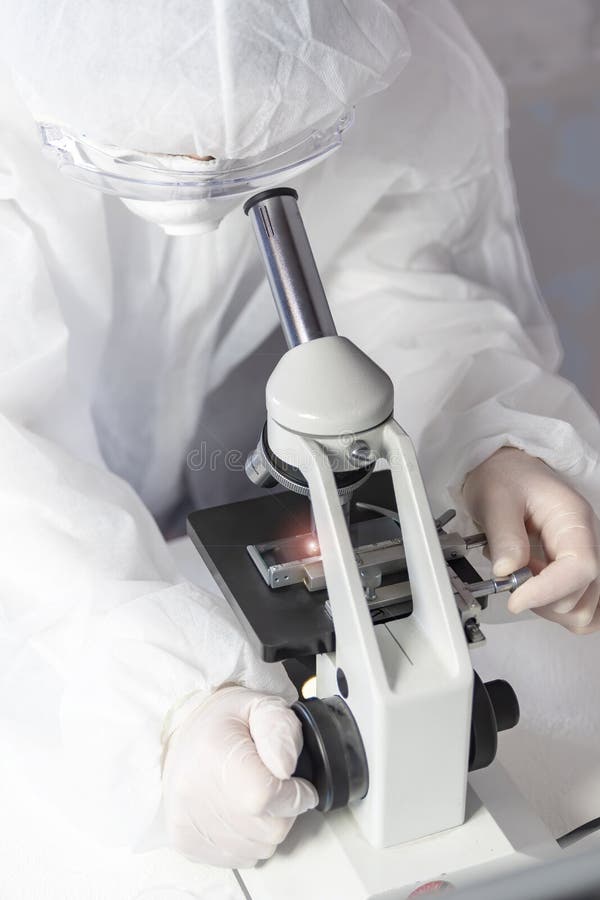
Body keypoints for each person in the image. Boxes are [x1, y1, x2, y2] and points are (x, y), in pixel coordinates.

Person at [0, 0, 599, 871]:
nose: (208, 167)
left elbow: (409, 274)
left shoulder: (392, 57)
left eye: (267, 133)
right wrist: (157, 704)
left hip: (251, 488)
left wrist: (491, 440)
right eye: (160, 140)